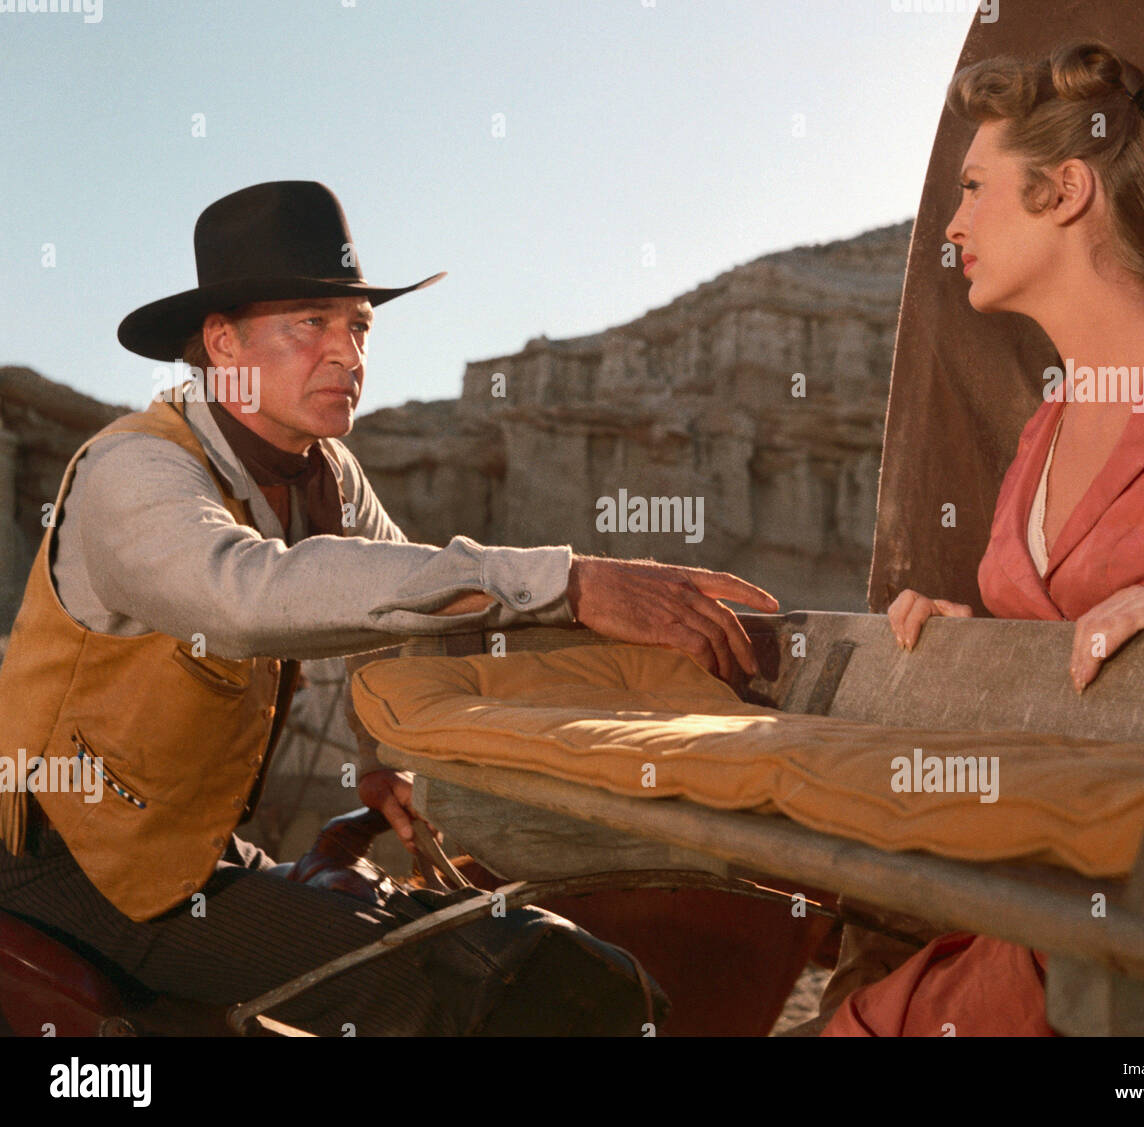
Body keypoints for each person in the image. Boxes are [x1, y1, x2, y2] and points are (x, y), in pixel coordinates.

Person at [0, 180, 779, 1035]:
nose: (347, 354)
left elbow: (399, 616)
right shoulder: (135, 469)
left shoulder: (327, 475)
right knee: (454, 983)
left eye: (360, 327)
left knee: (508, 942)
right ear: (223, 342)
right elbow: (242, 597)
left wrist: (380, 757)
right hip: (59, 863)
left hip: (183, 848)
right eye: (311, 322)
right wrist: (574, 582)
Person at [823, 41, 1144, 1036]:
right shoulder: (1038, 438)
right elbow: (1062, 651)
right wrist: (969, 655)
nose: (951, 224)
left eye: (973, 187)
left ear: (1068, 189)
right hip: (1035, 924)